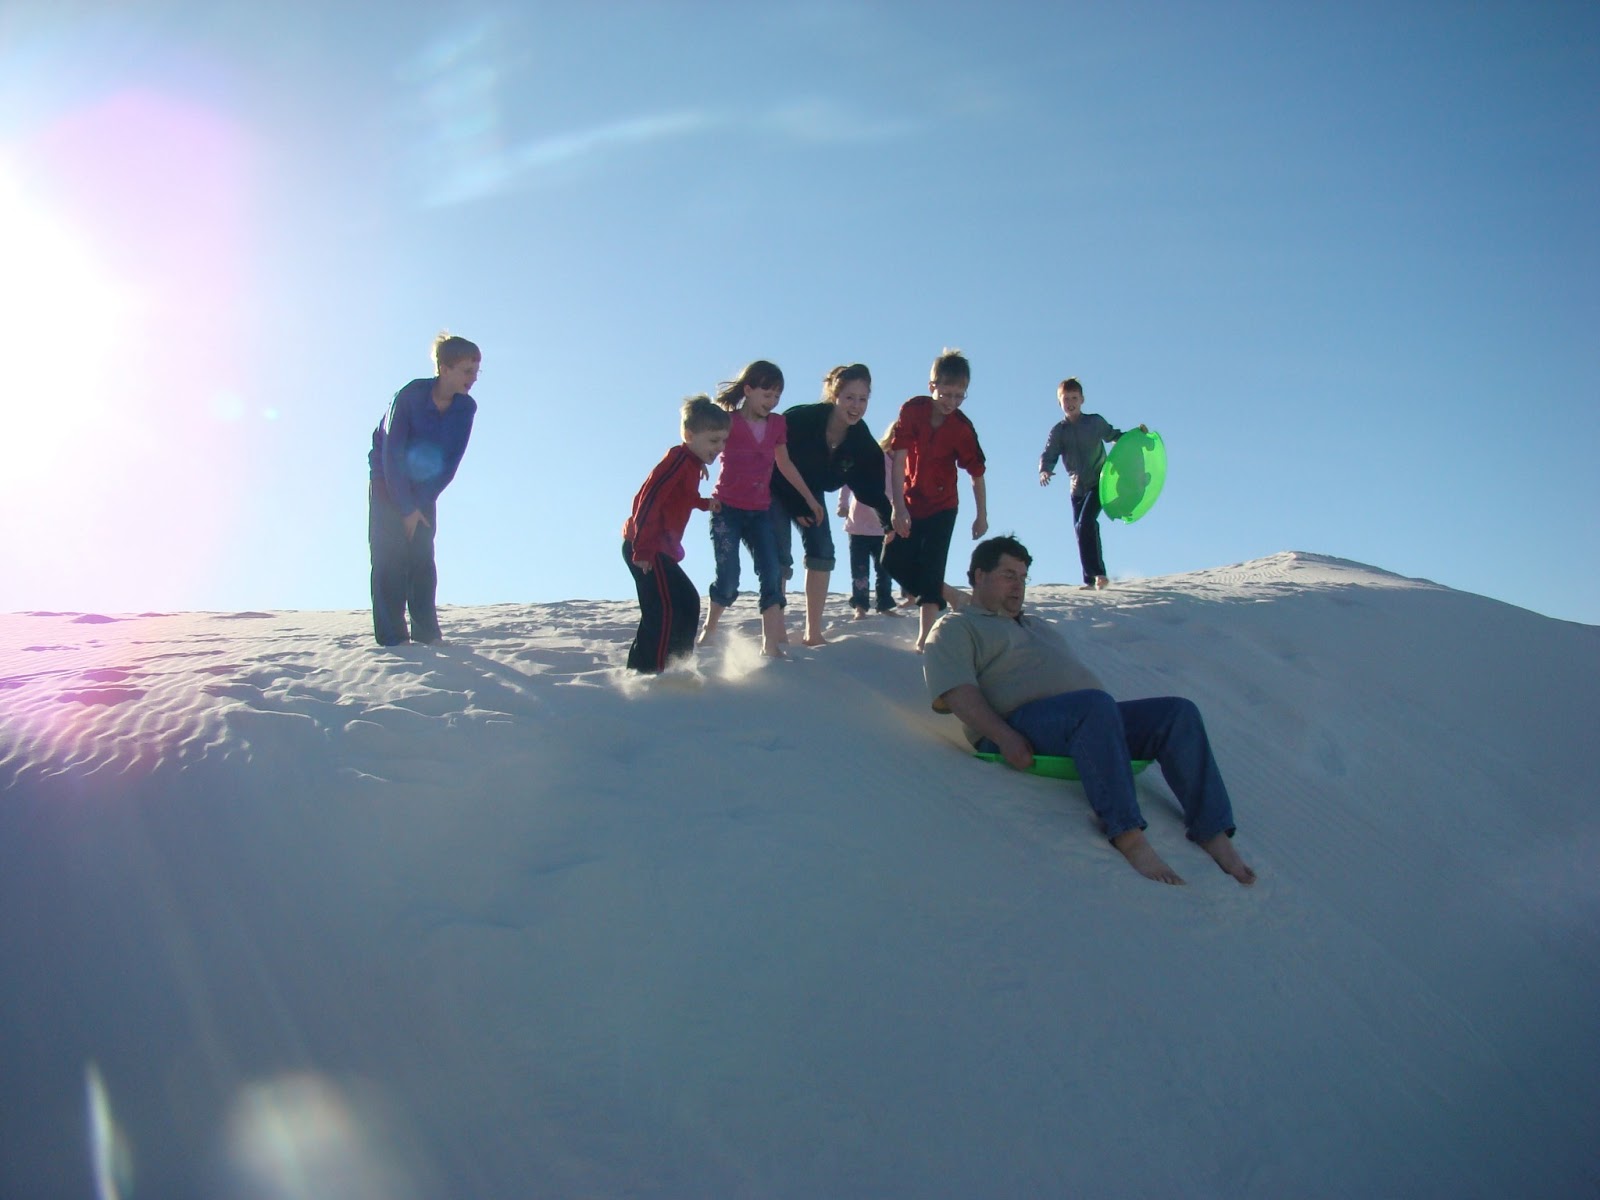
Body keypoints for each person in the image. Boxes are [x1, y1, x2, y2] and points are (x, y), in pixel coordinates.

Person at [922, 535, 1257, 887]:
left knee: (1177, 713)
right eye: (1008, 575)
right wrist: (1004, 737)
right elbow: (958, 692)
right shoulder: (957, 627)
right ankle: (1126, 833)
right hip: (1023, 725)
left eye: (1023, 577)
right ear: (978, 575)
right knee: (1094, 707)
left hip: (1090, 720)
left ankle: (1213, 831)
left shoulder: (1035, 625)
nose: (1018, 586)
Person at [698, 360, 825, 657]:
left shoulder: (777, 425)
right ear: (748, 390)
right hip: (726, 510)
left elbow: (785, 463)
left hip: (759, 512)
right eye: (767, 395)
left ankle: (769, 645)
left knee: (772, 572)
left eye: (777, 396)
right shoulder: (728, 422)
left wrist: (809, 498)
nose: (772, 402)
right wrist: (696, 465)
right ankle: (710, 629)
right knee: (729, 578)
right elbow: (706, 443)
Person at [367, 333, 480, 646]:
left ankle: (426, 634)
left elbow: (448, 463)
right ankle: (391, 638)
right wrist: (404, 508)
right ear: (444, 368)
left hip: (424, 489)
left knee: (421, 557)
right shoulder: (408, 396)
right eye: (466, 370)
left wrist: (419, 505)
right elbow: (391, 453)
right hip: (387, 480)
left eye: (476, 371)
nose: (473, 378)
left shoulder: (465, 409)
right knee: (389, 557)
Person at [769, 364, 896, 643]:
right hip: (775, 486)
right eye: (849, 397)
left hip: (811, 491)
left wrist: (889, 523)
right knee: (779, 553)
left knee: (823, 550)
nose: (856, 406)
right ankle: (775, 627)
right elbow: (772, 460)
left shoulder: (861, 440)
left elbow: (871, 488)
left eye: (863, 399)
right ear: (834, 395)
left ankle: (812, 632)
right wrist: (797, 503)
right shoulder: (802, 419)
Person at [881, 348, 988, 652]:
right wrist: (898, 506)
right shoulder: (913, 411)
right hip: (913, 503)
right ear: (932, 388)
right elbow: (899, 460)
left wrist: (982, 515)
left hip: (944, 508)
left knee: (932, 565)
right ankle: (949, 596)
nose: (952, 402)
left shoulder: (962, 429)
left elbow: (977, 474)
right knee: (892, 560)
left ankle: (925, 637)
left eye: (959, 396)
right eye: (946, 393)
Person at [622, 396, 730, 673]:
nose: (719, 449)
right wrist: (643, 549)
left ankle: (678, 666)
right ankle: (651, 672)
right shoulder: (677, 460)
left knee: (688, 602)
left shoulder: (690, 464)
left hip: (658, 548)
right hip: (646, 545)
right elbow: (647, 500)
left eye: (722, 442)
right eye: (713, 441)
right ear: (689, 435)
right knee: (664, 610)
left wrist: (705, 503)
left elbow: (682, 496)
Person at [1038, 377, 1145, 590]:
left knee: (1085, 524)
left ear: (1082, 399)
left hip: (1099, 482)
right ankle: (1089, 579)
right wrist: (1045, 469)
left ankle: (1099, 574)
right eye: (1065, 399)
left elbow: (1116, 436)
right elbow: (1049, 452)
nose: (1070, 403)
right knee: (1081, 530)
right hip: (1076, 488)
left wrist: (1137, 436)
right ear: (1059, 402)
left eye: (1074, 398)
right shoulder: (1059, 431)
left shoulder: (1094, 422)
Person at [837, 467, 899, 618]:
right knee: (859, 570)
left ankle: (884, 604)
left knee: (884, 569)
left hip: (883, 528)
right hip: (857, 526)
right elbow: (846, 483)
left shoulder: (898, 466)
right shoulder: (870, 459)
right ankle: (860, 606)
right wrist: (842, 505)